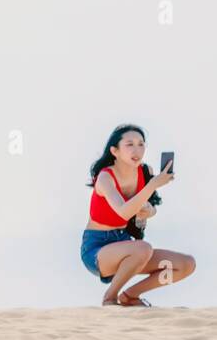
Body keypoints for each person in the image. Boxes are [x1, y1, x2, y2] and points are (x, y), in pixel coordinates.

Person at [82, 124, 195, 306]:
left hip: (128, 247)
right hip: (97, 250)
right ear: (115, 151)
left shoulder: (144, 172)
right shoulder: (105, 178)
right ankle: (109, 297)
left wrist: (150, 211)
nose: (137, 149)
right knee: (143, 248)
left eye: (141, 144)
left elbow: (150, 205)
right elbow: (124, 212)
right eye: (130, 144)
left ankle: (130, 295)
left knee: (186, 264)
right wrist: (153, 185)